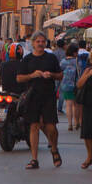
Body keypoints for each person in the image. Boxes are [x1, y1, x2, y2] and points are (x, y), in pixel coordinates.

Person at [18, 32, 63, 169]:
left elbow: (60, 75)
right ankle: (34, 159)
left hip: (48, 95)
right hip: (33, 96)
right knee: (34, 126)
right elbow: (19, 78)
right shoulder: (27, 60)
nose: (40, 44)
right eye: (38, 41)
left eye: (43, 41)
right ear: (33, 43)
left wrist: (52, 75)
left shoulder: (51, 58)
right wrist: (32, 75)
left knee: (51, 127)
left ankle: (54, 148)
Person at [59, 44, 81, 131]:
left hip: (65, 84)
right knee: (76, 105)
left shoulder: (63, 61)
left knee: (68, 104)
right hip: (75, 85)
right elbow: (79, 73)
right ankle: (76, 123)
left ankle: (70, 124)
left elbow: (60, 71)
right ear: (74, 52)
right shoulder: (76, 61)